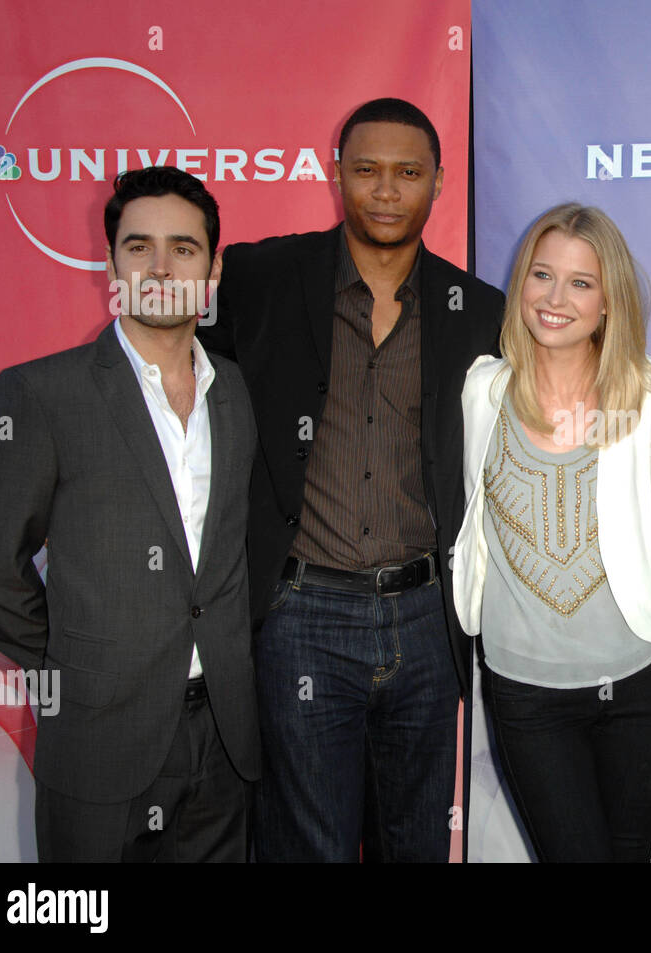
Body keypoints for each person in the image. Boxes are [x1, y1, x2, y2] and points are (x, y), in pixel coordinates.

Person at [197, 98, 504, 862]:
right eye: (366, 170)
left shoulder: (479, 310)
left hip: (430, 620)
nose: (386, 190)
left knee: (418, 841)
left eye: (408, 173)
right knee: (307, 844)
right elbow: (176, 376)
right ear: (336, 176)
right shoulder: (261, 277)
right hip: (302, 611)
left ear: (438, 182)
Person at [0, 166, 259, 861]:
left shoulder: (237, 391)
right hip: (98, 740)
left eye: (183, 248)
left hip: (224, 737)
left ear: (213, 268)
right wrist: (71, 665)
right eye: (138, 246)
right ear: (110, 262)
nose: (160, 267)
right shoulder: (44, 393)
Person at [452, 204, 651, 862]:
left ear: (609, 302)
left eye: (580, 282)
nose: (555, 297)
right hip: (526, 691)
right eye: (541, 275)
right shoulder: (481, 392)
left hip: (639, 681)